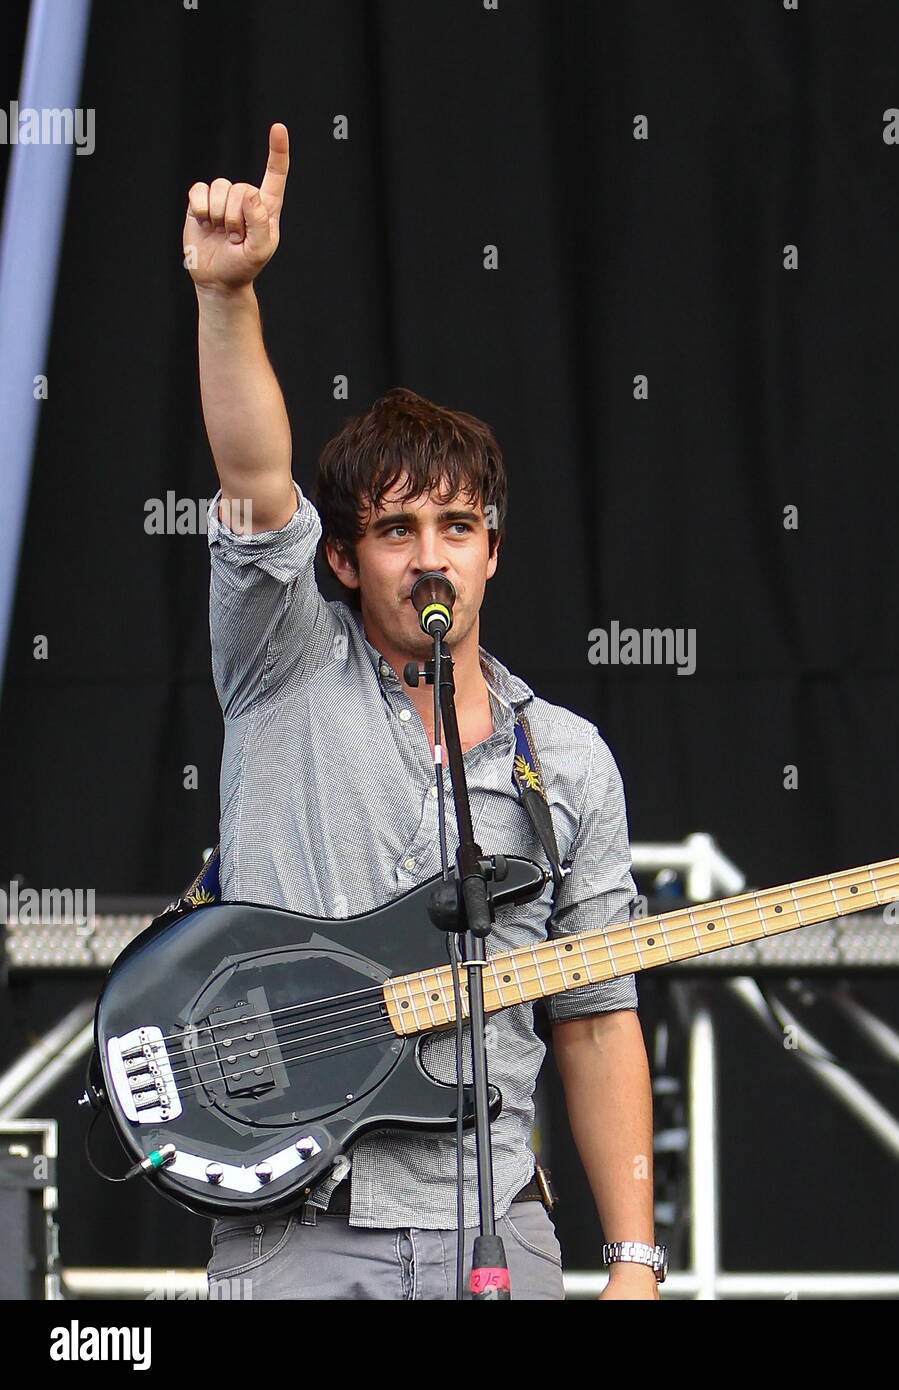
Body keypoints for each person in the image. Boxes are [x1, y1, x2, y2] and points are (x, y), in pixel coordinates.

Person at [184, 123, 662, 1300]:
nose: (430, 556)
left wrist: (637, 1261)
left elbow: (596, 1022)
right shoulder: (281, 657)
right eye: (396, 531)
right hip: (301, 1224)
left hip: (498, 1221)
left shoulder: (571, 761)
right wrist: (229, 297)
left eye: (457, 527)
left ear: (494, 549)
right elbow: (256, 479)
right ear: (343, 562)